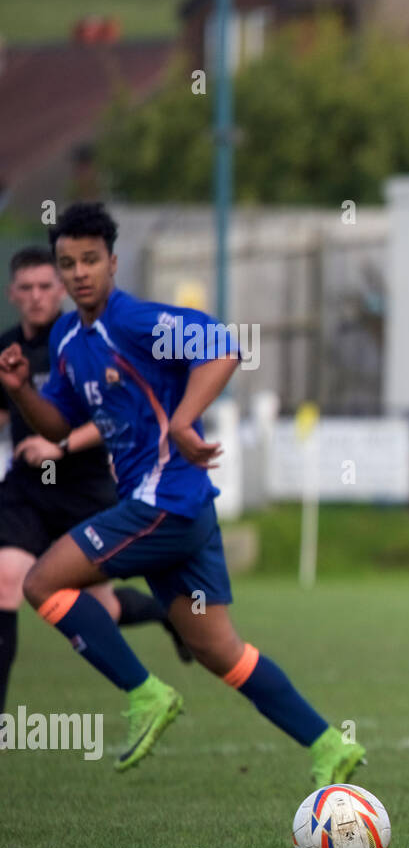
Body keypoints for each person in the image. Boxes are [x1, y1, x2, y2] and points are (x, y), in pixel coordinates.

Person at [0, 202, 363, 785]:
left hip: (165, 501)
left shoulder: (136, 322)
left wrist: (181, 419)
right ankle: (328, 744)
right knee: (220, 651)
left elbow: (221, 347)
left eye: (90, 259)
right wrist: (21, 391)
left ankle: (145, 695)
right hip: (176, 510)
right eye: (68, 263)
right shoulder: (69, 337)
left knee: (42, 581)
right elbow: (60, 428)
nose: (79, 273)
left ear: (113, 262)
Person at [0, 246, 192, 714]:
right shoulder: (6, 347)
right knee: (6, 580)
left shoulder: (79, 341)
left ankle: (166, 614)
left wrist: (59, 444)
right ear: (12, 294)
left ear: (61, 290)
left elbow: (112, 413)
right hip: (28, 489)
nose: (37, 296)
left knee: (100, 610)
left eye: (46, 286)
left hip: (85, 489)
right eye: (26, 288)